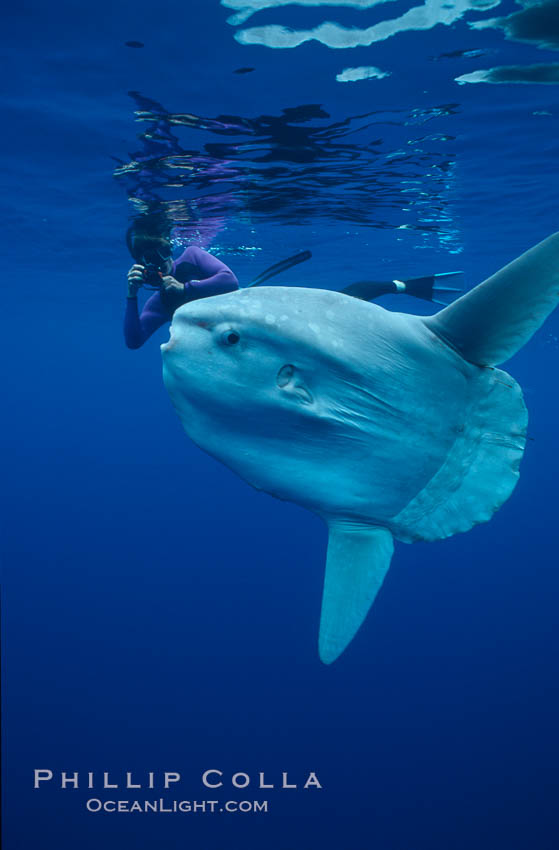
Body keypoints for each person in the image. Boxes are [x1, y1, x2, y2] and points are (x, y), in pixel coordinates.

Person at [124, 230, 239, 349]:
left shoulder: (192, 256)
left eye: (164, 252)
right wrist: (131, 295)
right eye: (150, 258)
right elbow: (134, 341)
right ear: (143, 265)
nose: (160, 261)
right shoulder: (160, 302)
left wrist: (185, 288)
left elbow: (230, 281)